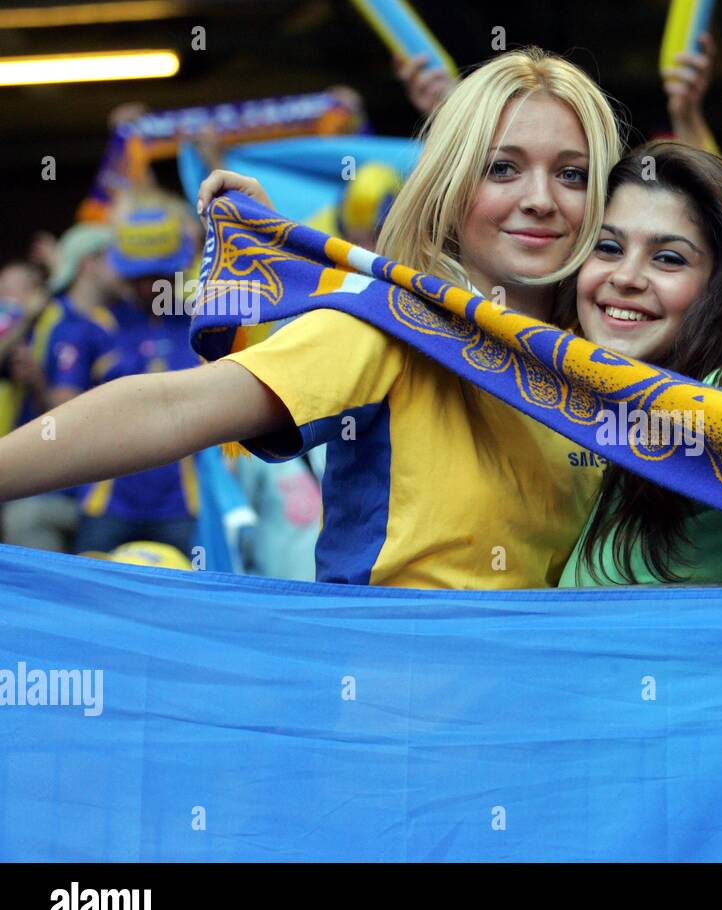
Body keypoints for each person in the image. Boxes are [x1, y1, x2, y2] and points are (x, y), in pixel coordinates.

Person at [0, 47, 623, 592]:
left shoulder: (620, 368)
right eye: (503, 167)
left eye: (572, 173)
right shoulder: (394, 328)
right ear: (448, 187)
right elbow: (171, 408)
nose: (541, 198)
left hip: (558, 721)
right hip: (396, 720)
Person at [558, 142, 722, 588]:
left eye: (668, 258)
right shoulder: (605, 404)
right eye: (608, 247)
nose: (625, 277)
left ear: (720, 288)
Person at [74, 192, 204, 555]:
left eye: (159, 275)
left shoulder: (201, 324)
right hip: (108, 502)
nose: (149, 287)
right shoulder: (97, 327)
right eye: (139, 277)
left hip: (183, 504)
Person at [1, 224, 120, 552]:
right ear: (88, 263)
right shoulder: (46, 317)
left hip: (97, 501)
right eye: (113, 256)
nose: (123, 264)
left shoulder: (115, 318)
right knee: (41, 600)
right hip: (40, 495)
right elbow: (64, 407)